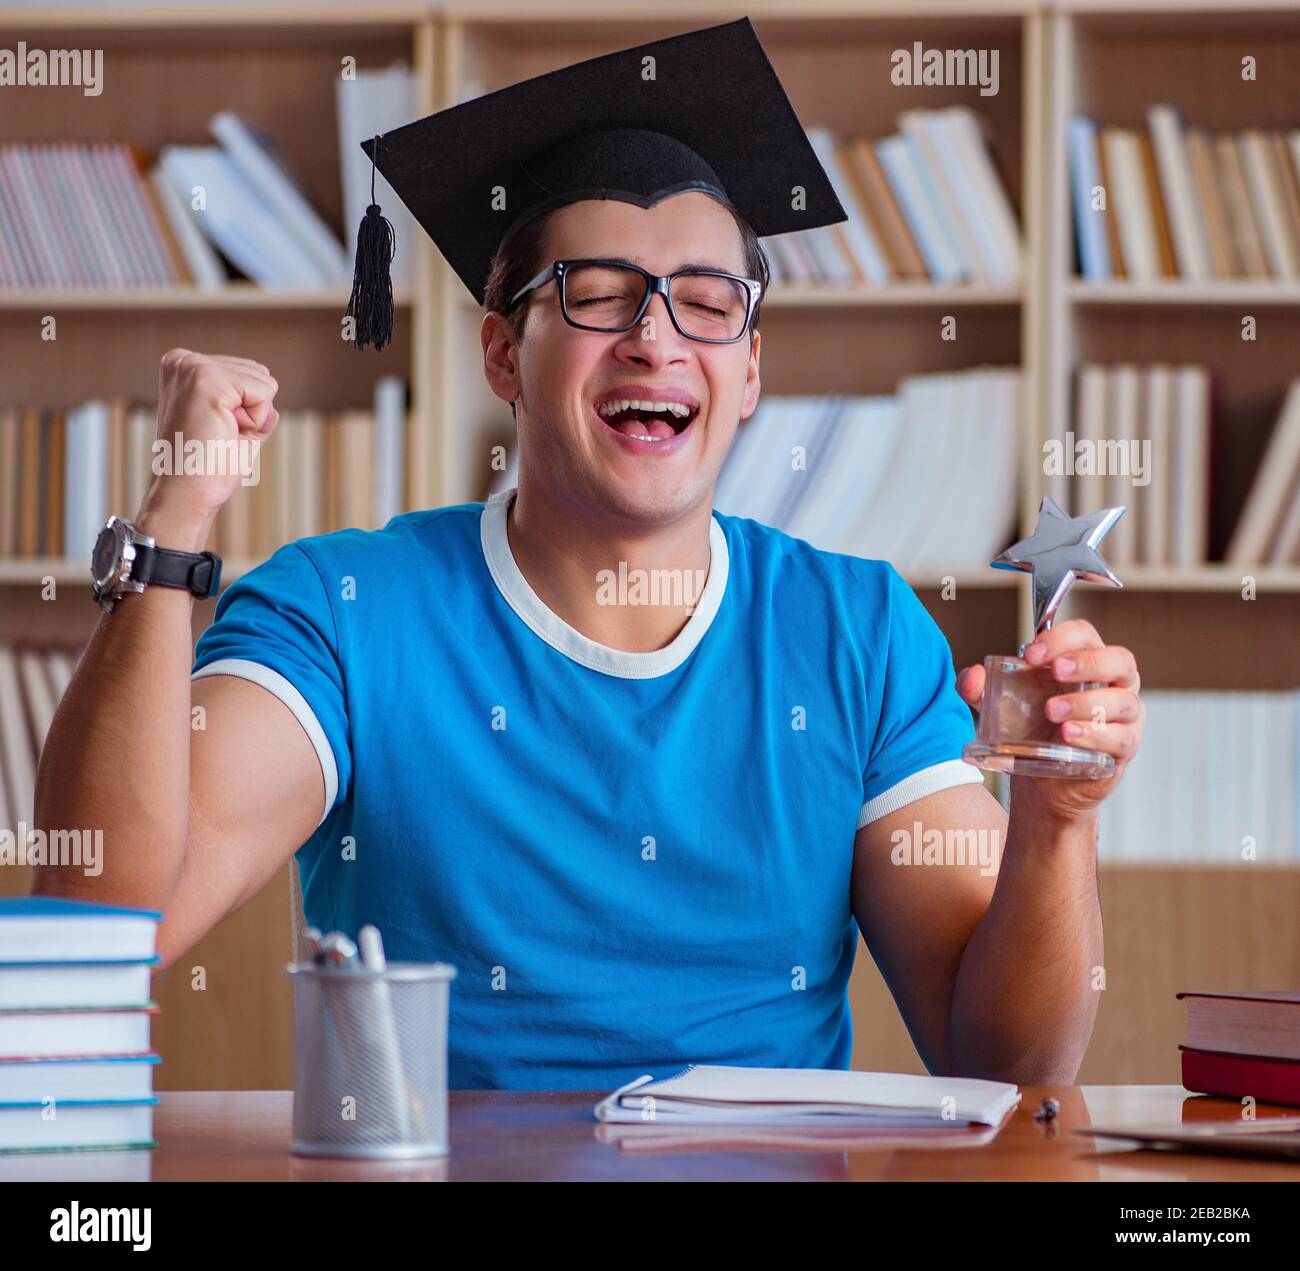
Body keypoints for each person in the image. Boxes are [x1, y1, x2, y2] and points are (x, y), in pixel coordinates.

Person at [33, 20, 1145, 1091]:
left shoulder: (856, 632)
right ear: (502, 354)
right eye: (599, 296)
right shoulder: (344, 611)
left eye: (707, 304)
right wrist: (171, 528)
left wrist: (1057, 824)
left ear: (750, 373)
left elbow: (1008, 1065)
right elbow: (107, 925)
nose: (656, 338)